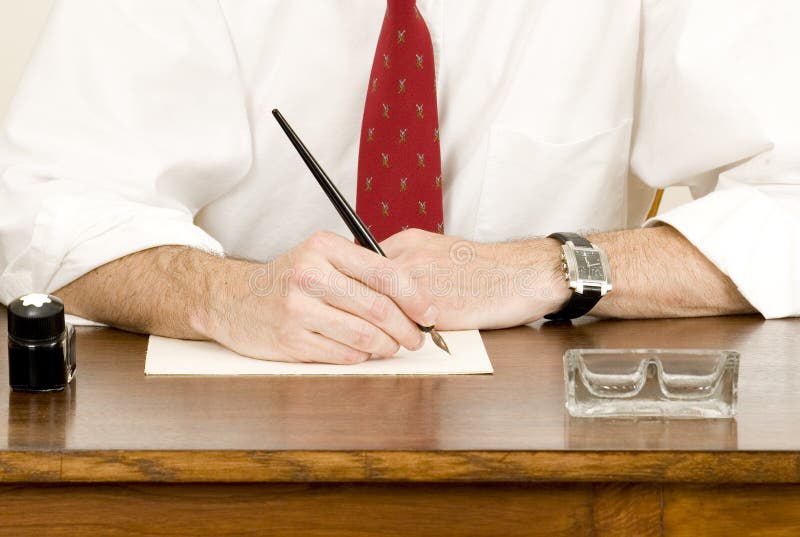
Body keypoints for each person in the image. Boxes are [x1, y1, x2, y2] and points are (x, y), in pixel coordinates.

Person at [0, 0, 797, 364]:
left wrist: (549, 266)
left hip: (550, 471)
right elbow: (34, 199)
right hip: (236, 467)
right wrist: (217, 293)